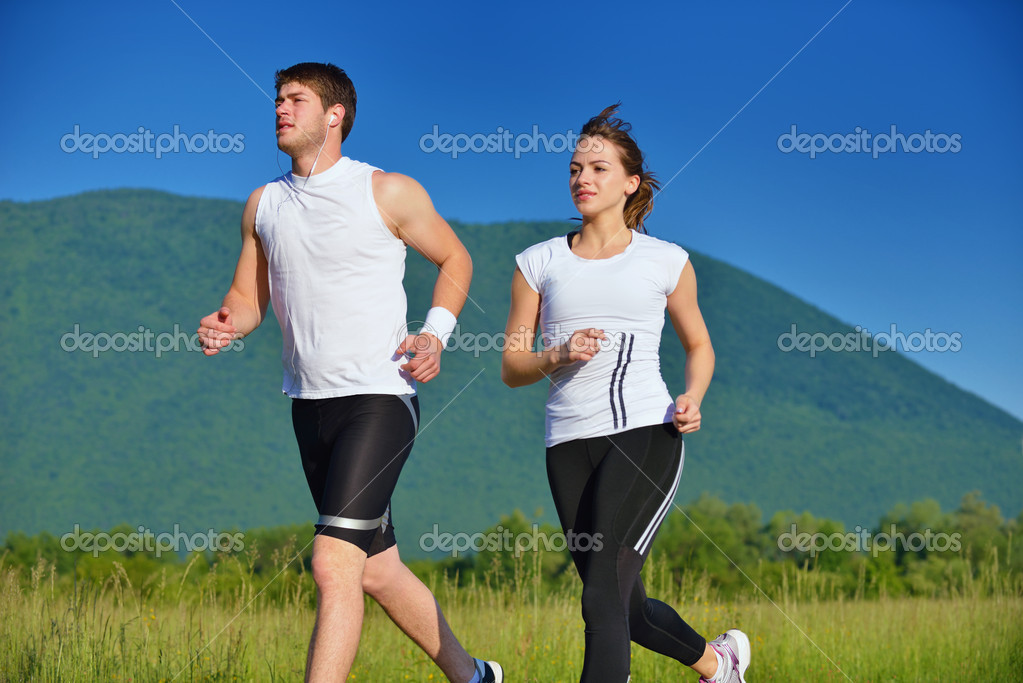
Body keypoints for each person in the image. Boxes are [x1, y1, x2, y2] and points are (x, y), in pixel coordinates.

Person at [197, 62, 502, 683]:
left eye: (295, 100)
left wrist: (434, 334)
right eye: (277, 100)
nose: (280, 109)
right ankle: (474, 677)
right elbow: (249, 298)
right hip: (308, 405)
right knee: (375, 569)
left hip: (379, 398)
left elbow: (454, 257)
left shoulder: (386, 191)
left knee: (333, 565)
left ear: (334, 115)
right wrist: (228, 322)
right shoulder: (264, 205)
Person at [500, 104, 751, 683]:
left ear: (630, 182)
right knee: (619, 601)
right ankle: (721, 665)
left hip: (645, 430)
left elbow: (700, 346)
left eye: (597, 168)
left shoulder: (665, 260)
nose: (581, 179)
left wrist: (693, 396)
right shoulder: (537, 263)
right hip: (566, 442)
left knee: (599, 601)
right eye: (573, 169)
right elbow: (513, 366)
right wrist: (558, 355)